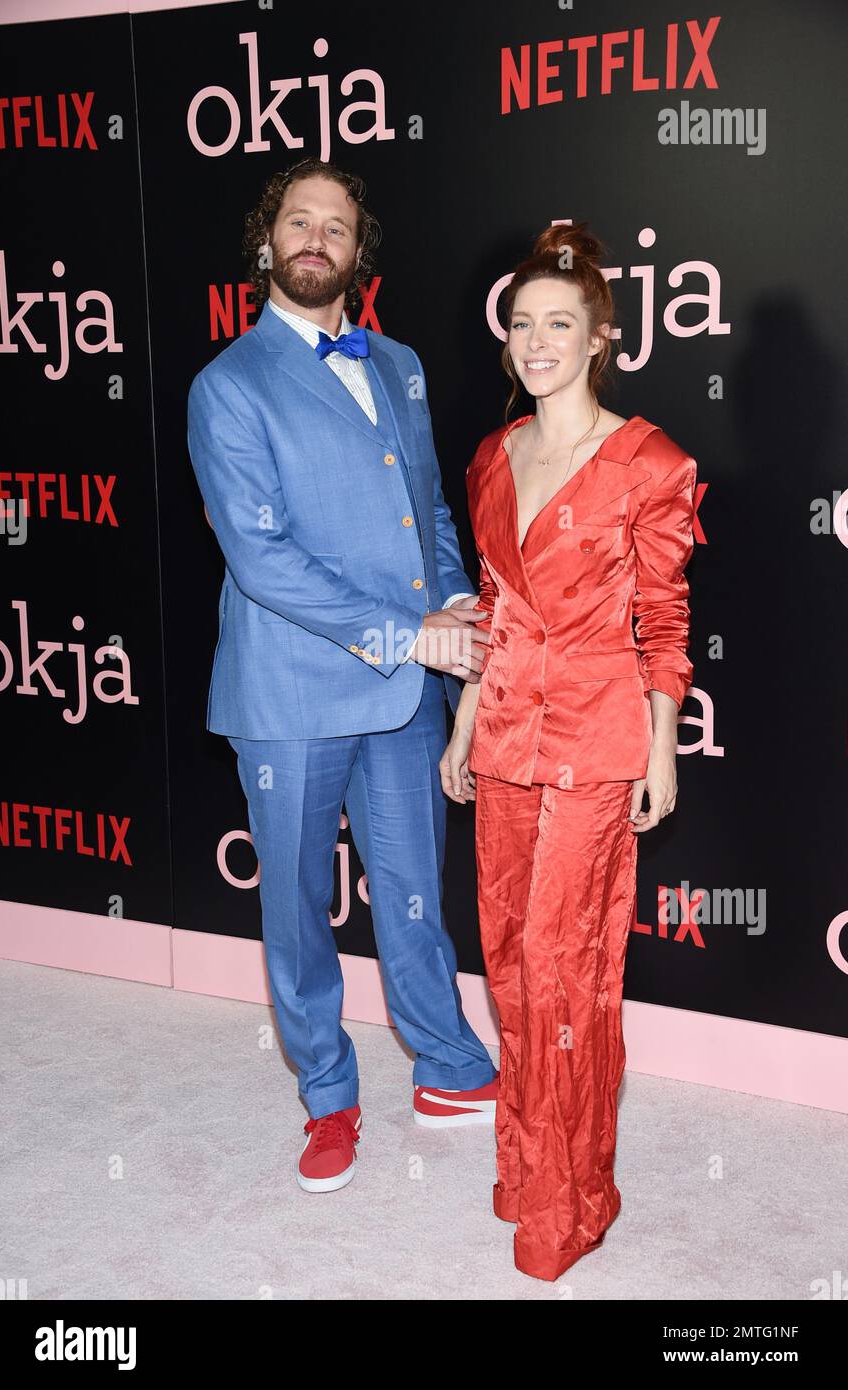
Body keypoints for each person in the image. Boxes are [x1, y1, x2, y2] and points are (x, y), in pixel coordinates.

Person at [187, 156, 498, 1194]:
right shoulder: (227, 385)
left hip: (404, 690)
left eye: (337, 225)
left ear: (358, 253)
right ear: (264, 241)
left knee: (413, 893)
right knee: (297, 908)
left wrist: (451, 604)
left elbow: (430, 513)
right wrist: (411, 636)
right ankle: (326, 1094)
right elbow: (260, 558)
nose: (316, 238)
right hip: (290, 694)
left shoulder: (399, 363)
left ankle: (449, 1065)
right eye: (297, 220)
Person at [440, 221, 697, 1281]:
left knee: (566, 971)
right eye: (521, 324)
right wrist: (461, 722)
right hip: (500, 733)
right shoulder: (491, 458)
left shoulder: (649, 462)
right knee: (507, 961)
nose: (536, 341)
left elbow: (663, 620)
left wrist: (661, 743)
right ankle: (524, 1165)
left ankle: (571, 1195)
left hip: (594, 744)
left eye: (559, 324)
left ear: (600, 337)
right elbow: (495, 606)